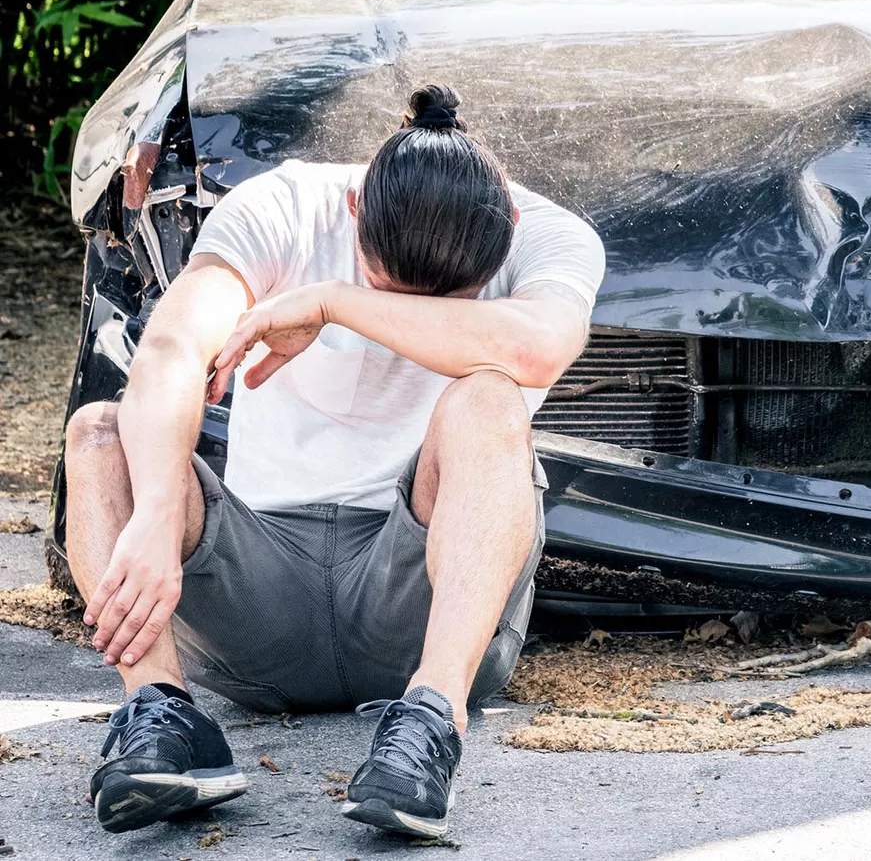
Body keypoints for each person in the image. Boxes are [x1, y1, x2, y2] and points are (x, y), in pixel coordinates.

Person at [61, 85, 604, 837]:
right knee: (99, 432)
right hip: (259, 599)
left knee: (488, 397)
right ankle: (162, 718)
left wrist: (336, 302)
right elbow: (173, 347)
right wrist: (156, 510)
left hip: (419, 602)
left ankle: (429, 727)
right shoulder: (284, 206)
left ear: (507, 224)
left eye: (450, 302)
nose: (414, 314)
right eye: (385, 286)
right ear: (354, 209)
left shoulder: (552, 234)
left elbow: (538, 348)